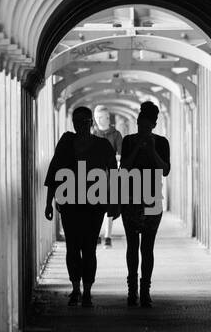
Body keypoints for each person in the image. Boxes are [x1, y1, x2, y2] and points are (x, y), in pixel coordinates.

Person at [44, 106, 119, 306]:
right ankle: (76, 288)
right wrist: (48, 202)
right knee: (72, 247)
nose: (80, 126)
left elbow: (113, 174)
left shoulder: (102, 145)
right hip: (69, 203)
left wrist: (114, 202)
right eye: (77, 122)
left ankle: (87, 290)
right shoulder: (66, 143)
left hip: (94, 205)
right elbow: (54, 171)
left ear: (90, 123)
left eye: (84, 122)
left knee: (88, 247)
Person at [119, 100, 170, 307]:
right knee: (132, 245)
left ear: (153, 126)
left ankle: (145, 290)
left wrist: (151, 151)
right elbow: (125, 167)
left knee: (147, 247)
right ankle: (132, 290)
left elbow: (165, 170)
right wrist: (138, 147)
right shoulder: (129, 141)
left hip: (152, 199)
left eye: (147, 127)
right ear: (137, 123)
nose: (143, 129)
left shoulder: (162, 142)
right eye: (141, 126)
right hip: (130, 199)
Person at [92, 110, 124, 246]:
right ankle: (97, 234)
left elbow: (122, 154)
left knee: (109, 205)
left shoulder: (116, 135)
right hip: (94, 175)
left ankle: (108, 235)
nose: (98, 119)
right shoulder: (93, 133)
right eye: (96, 117)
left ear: (107, 117)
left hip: (111, 174)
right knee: (95, 204)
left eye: (101, 117)